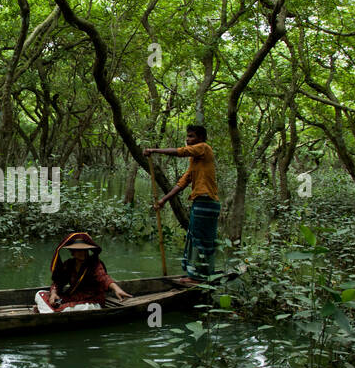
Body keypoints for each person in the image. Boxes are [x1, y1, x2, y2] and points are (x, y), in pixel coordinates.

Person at [143, 124, 220, 285]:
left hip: (206, 202)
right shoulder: (195, 161)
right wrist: (164, 200)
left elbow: (181, 152)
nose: (188, 139)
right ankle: (196, 275)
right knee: (194, 238)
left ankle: (199, 277)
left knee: (201, 240)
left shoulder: (204, 148)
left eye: (191, 136)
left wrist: (154, 150)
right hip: (200, 202)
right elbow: (183, 182)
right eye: (188, 136)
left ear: (200, 138)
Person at [35, 232, 132, 312]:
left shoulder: (94, 263)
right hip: (73, 297)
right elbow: (58, 282)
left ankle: (47, 310)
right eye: (79, 250)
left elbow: (104, 278)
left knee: (70, 309)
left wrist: (117, 289)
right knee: (40, 293)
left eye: (84, 250)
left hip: (91, 301)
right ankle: (49, 310)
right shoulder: (69, 264)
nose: (83, 253)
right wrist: (53, 294)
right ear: (72, 252)